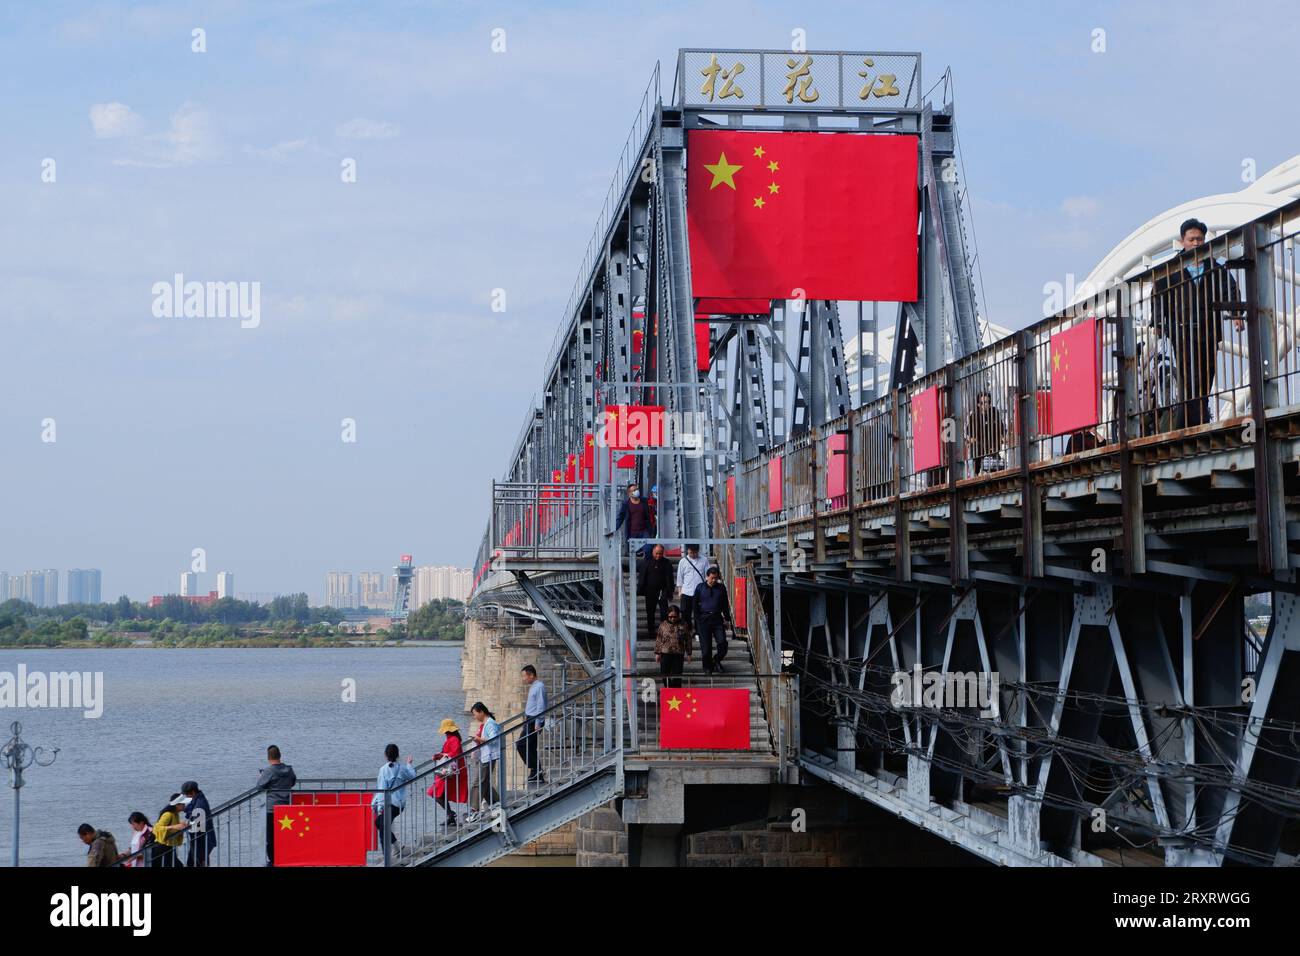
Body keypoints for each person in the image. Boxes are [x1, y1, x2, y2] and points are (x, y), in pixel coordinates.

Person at [1152, 217, 1243, 427]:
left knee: (1206, 373)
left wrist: (1236, 313)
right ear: (1182, 241)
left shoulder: (1214, 267)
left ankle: (1195, 415)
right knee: (1188, 373)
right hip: (1182, 332)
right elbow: (1158, 294)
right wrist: (1158, 323)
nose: (1196, 243)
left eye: (1200, 239)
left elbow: (1230, 289)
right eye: (1192, 239)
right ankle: (1195, 419)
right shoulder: (1171, 269)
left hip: (1209, 330)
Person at [255, 744, 297, 866]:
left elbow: (259, 787)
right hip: (286, 808)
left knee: (270, 838)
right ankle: (286, 858)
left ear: (268, 757)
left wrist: (261, 777)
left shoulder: (269, 771)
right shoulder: (289, 770)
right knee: (285, 837)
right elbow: (293, 781)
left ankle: (273, 861)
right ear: (280, 755)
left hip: (271, 809)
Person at [371, 744, 417, 849]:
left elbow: (382, 789)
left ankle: (395, 847)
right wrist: (409, 764)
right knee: (382, 826)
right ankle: (392, 850)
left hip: (387, 804)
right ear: (397, 755)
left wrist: (379, 807)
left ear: (385, 755)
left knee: (380, 824)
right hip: (399, 804)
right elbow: (412, 776)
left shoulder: (383, 770)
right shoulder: (402, 768)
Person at [429, 719, 469, 827]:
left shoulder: (454, 739)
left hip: (451, 771)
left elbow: (454, 754)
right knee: (438, 793)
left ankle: (451, 815)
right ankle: (450, 815)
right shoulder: (451, 739)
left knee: (436, 793)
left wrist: (442, 755)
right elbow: (448, 753)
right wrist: (439, 755)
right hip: (448, 771)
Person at [693, 566, 733, 674]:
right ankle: (707, 666)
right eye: (712, 578)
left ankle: (717, 659)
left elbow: (725, 605)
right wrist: (697, 620)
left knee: (722, 643)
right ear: (707, 577)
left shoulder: (721, 588)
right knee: (706, 647)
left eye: (716, 578)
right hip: (704, 619)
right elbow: (695, 605)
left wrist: (727, 618)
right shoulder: (700, 587)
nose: (714, 580)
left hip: (717, 619)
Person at [516, 664, 547, 784]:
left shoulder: (539, 687)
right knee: (531, 747)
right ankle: (536, 773)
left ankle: (536, 770)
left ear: (531, 675)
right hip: (530, 719)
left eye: (524, 676)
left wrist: (538, 722)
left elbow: (541, 705)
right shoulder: (534, 686)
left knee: (521, 745)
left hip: (534, 721)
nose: (523, 679)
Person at [471, 702, 502, 813]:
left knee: (478, 782)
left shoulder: (490, 724)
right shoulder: (487, 724)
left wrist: (479, 739)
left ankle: (474, 809)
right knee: (484, 782)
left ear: (481, 712)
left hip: (489, 757)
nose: (474, 717)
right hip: (485, 756)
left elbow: (493, 738)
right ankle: (496, 802)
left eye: (475, 714)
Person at [965, 391, 1005, 475]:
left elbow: (1001, 428)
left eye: (987, 402)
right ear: (978, 404)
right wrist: (971, 440)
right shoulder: (974, 415)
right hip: (979, 447)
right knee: (975, 454)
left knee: (998, 465)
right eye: (982, 403)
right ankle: (975, 474)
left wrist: (1003, 436)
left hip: (993, 445)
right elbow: (969, 434)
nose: (985, 405)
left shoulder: (994, 412)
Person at [639, 543, 674, 640]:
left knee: (664, 612)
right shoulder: (647, 562)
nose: (658, 556)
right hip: (650, 591)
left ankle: (664, 631)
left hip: (662, 591)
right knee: (650, 612)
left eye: (660, 553)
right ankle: (651, 632)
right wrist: (640, 590)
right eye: (656, 553)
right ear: (653, 552)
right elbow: (642, 577)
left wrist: (670, 592)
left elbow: (670, 578)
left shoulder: (667, 563)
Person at [675, 543, 711, 635]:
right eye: (691, 552)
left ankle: (698, 633)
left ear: (698, 551)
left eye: (695, 553)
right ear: (688, 551)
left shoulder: (704, 560)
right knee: (685, 613)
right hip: (686, 591)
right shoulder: (683, 561)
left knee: (698, 614)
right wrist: (680, 591)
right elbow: (680, 577)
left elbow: (708, 575)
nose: (693, 555)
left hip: (700, 592)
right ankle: (687, 631)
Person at [179, 780, 216, 867]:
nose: (186, 796)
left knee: (196, 862)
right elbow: (190, 808)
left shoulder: (200, 805)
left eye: (187, 794)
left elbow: (196, 825)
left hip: (200, 841)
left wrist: (186, 824)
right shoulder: (198, 799)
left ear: (193, 792)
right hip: (200, 841)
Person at [614, 483, 657, 558]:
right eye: (634, 490)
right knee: (633, 553)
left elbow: (652, 510)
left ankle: (647, 566)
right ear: (629, 493)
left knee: (648, 549)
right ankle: (637, 568)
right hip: (632, 533)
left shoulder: (644, 501)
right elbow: (620, 517)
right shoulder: (626, 504)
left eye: (637, 489)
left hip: (644, 531)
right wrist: (614, 528)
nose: (636, 491)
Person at [655, 605, 691, 688]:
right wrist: (657, 653)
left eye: (675, 617)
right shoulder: (663, 625)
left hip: (678, 653)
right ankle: (669, 690)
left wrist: (689, 654)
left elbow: (688, 639)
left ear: (678, 616)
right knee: (664, 674)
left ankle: (676, 693)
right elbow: (659, 639)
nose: (672, 619)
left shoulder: (683, 625)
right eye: (670, 617)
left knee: (677, 676)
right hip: (665, 652)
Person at [152, 795, 189, 867]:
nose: (185, 805)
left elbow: (173, 827)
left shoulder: (175, 815)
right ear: (177, 805)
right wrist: (174, 826)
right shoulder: (168, 814)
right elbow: (157, 828)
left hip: (168, 846)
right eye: (183, 804)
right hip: (161, 847)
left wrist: (181, 825)